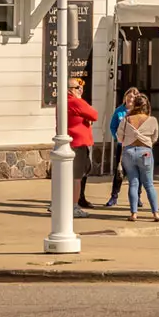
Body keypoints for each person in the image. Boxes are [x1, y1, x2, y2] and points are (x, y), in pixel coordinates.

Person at [116, 92, 159, 221]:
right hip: (145, 152)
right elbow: (155, 137)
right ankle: (155, 213)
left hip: (129, 151)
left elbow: (119, 137)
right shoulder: (152, 120)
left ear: (134, 105)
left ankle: (134, 213)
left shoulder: (126, 119)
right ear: (146, 105)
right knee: (149, 184)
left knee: (133, 183)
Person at [67, 77, 99, 214]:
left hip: (71, 143)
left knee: (67, 177)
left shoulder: (65, 102)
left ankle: (60, 203)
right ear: (69, 89)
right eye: (77, 88)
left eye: (81, 88)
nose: (80, 90)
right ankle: (74, 206)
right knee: (76, 178)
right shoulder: (75, 102)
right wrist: (80, 100)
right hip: (78, 144)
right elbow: (94, 114)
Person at [104, 87, 136, 209]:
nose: (130, 99)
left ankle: (137, 197)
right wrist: (117, 137)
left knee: (135, 173)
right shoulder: (119, 111)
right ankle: (114, 196)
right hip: (122, 146)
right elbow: (112, 127)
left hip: (135, 146)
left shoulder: (138, 112)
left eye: (133, 97)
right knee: (119, 172)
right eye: (129, 96)